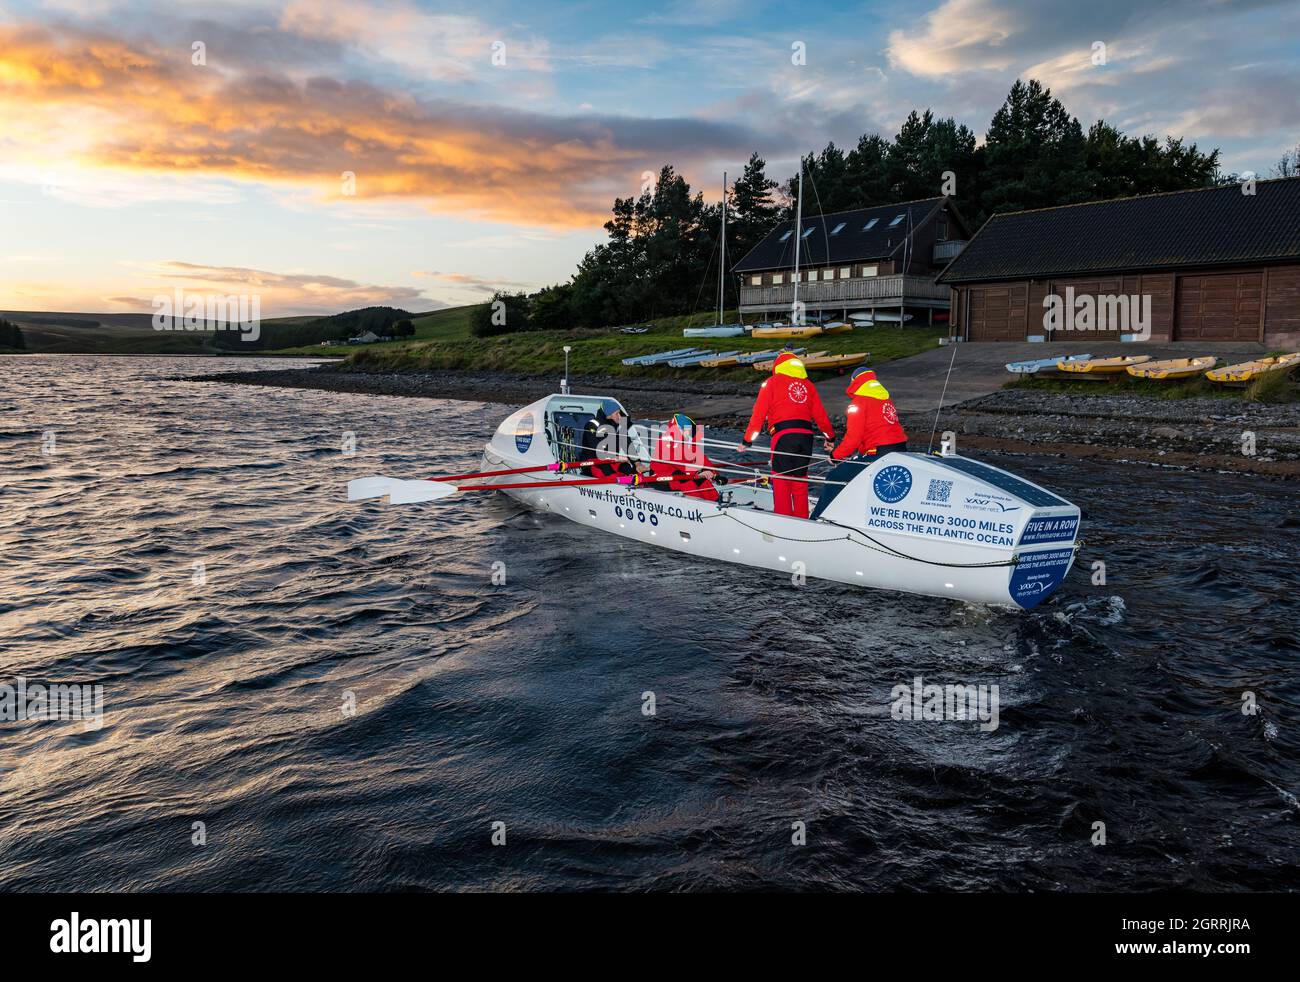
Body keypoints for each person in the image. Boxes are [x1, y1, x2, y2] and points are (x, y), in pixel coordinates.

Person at [741, 351, 834, 519]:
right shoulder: (808, 385)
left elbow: (758, 414)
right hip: (806, 437)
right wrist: (830, 438)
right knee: (800, 481)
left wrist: (747, 441)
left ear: (778, 366)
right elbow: (821, 416)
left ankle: (783, 521)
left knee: (782, 481)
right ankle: (802, 519)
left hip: (783, 436)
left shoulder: (771, 383)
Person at [809, 367, 908, 521]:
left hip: (879, 454)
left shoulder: (859, 402)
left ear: (855, 382)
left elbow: (853, 438)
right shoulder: (884, 400)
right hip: (900, 451)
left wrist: (835, 456)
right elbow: (876, 432)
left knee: (835, 476)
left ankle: (817, 519)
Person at [651, 413, 727, 501]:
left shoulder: (688, 441)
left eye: (689, 429)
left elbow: (701, 459)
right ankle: (697, 505)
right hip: (659, 477)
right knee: (686, 478)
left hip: (682, 473)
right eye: (685, 430)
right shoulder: (664, 442)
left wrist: (714, 474)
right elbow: (678, 463)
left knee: (701, 479)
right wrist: (697, 472)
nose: (688, 432)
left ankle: (715, 501)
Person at [580, 399, 651, 479]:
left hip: (613, 461)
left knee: (636, 475)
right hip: (594, 462)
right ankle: (624, 484)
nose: (620, 416)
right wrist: (615, 458)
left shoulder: (617, 426)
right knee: (612, 477)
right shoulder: (592, 425)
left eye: (619, 413)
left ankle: (639, 484)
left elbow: (628, 445)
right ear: (608, 415)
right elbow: (596, 449)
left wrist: (637, 463)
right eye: (617, 413)